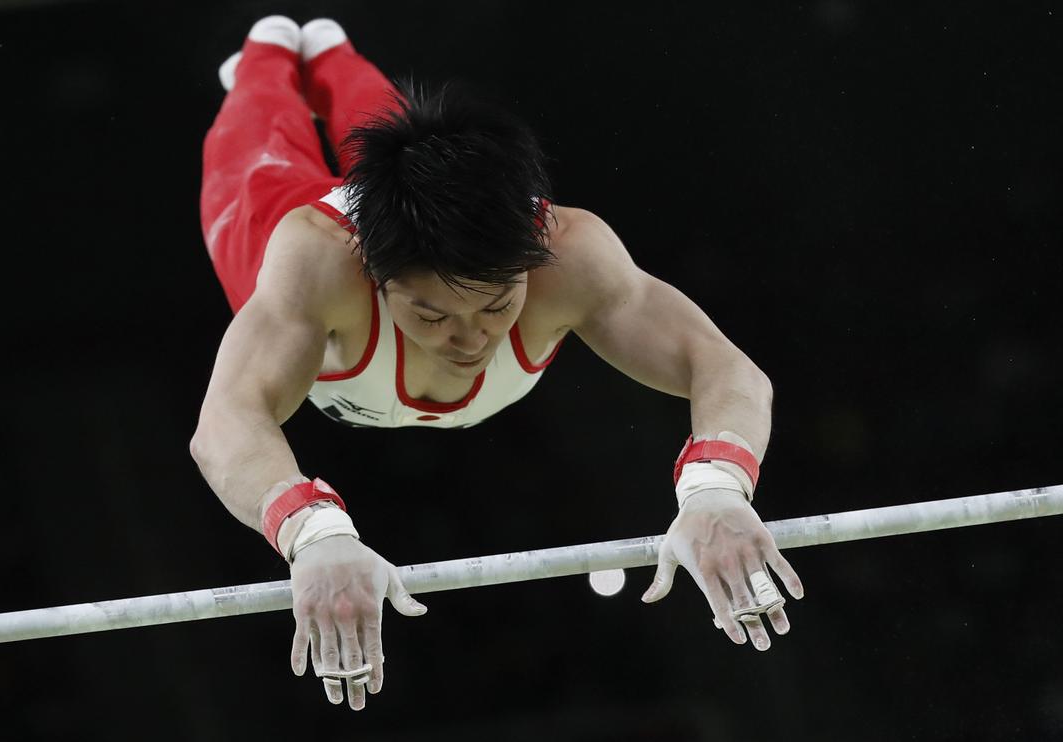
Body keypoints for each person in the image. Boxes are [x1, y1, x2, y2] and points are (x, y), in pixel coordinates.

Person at [191, 15, 805, 711]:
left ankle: (332, 51)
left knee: (403, 130)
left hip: (417, 233)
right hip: (292, 237)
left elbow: (726, 368)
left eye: (496, 305)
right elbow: (225, 423)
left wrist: (716, 486)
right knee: (260, 142)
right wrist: (309, 529)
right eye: (431, 315)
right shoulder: (316, 259)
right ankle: (267, 52)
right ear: (374, 273)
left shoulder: (567, 254)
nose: (471, 338)